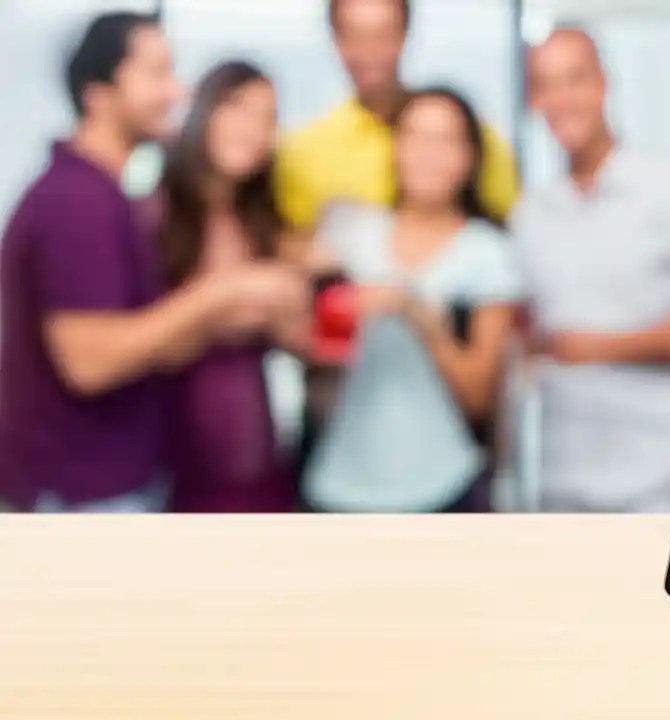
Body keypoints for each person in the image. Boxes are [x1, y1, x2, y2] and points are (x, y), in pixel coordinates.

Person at [0, 13, 303, 512]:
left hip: (115, 483)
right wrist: (223, 292)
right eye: (157, 74)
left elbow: (152, 341)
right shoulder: (79, 204)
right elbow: (90, 364)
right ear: (99, 92)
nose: (178, 93)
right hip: (82, 495)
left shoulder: (103, 197)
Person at [512, 29, 670, 512]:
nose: (562, 98)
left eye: (575, 79)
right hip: (561, 482)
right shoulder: (531, 214)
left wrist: (592, 347)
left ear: (603, 84)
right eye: (546, 84)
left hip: (660, 481)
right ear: (534, 99)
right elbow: (534, 341)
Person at [302, 88, 522, 513]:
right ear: (396, 147)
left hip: (442, 486)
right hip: (336, 482)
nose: (428, 154)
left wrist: (416, 311)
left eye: (446, 140)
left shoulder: (487, 253)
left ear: (470, 157)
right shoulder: (350, 234)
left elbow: (479, 394)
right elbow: (314, 360)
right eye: (416, 137)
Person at [158, 62, 312, 512]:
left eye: (269, 117)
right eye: (240, 108)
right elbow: (141, 347)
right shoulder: (154, 217)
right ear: (205, 109)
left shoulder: (263, 225)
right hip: (172, 449)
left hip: (257, 442)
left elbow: (300, 340)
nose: (256, 129)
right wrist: (232, 296)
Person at [274, 0, 521, 244]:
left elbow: (512, 231)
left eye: (383, 34)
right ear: (336, 40)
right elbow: (292, 245)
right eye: (356, 35)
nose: (370, 50)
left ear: (405, 35)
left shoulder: (470, 134)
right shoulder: (301, 152)